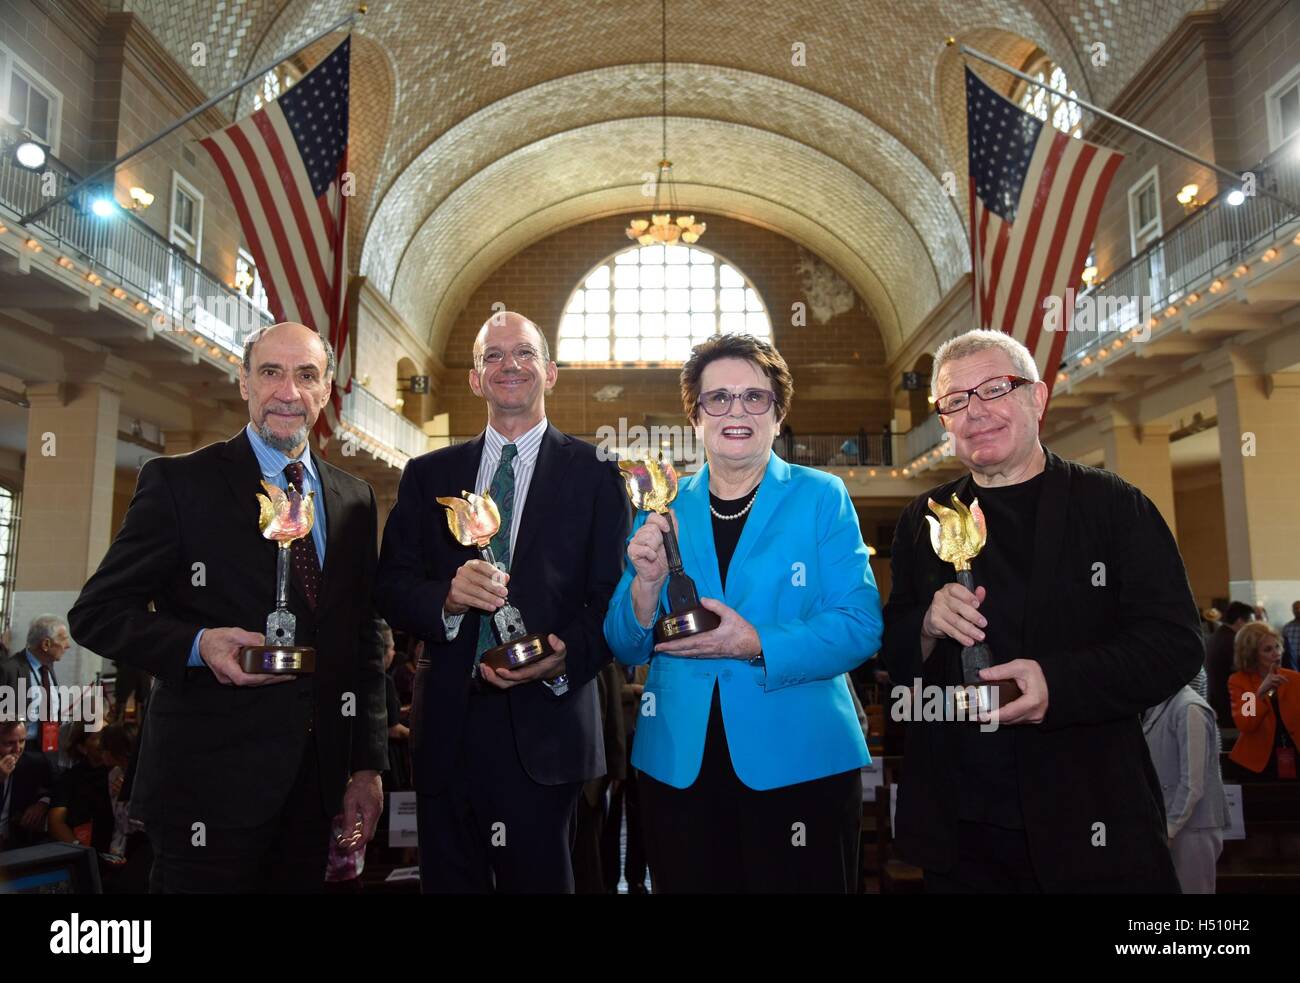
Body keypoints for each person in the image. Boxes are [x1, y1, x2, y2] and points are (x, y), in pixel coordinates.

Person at [68, 321, 389, 893]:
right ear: (243, 382)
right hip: (205, 790)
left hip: (315, 793)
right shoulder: (180, 483)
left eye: (306, 375)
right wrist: (197, 646)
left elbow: (361, 640)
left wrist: (365, 765)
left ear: (326, 390)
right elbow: (97, 612)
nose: (288, 392)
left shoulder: (353, 499)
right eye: (271, 372)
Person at [881, 329, 1202, 893]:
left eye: (995, 389)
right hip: (964, 829)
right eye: (955, 400)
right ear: (944, 421)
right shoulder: (922, 520)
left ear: (1038, 398)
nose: (975, 411)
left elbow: (1175, 646)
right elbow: (895, 650)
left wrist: (1055, 683)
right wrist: (927, 627)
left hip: (1090, 813)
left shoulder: (1114, 506)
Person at [603, 333, 882, 894]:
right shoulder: (663, 503)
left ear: (777, 414)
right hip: (681, 764)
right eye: (719, 398)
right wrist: (646, 585)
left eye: (755, 397)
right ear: (696, 415)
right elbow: (624, 643)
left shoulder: (821, 495)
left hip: (802, 758)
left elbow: (860, 624)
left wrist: (756, 643)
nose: (737, 410)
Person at [375, 310, 629, 893]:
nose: (509, 365)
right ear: (474, 378)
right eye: (493, 355)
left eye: (523, 353)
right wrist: (446, 599)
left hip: (550, 722)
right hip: (449, 725)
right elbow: (390, 586)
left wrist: (564, 655)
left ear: (550, 371)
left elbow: (612, 599)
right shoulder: (426, 473)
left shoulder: (597, 473)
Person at [1141, 685, 1227, 894]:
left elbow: (1193, 784)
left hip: (1192, 827)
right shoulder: (1159, 704)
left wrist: (1170, 828)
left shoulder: (1190, 707)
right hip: (1173, 825)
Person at [1227, 622, 1300, 781]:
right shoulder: (1240, 681)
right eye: (1268, 649)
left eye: (1277, 646)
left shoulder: (1294, 679)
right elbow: (1246, 723)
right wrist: (1259, 693)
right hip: (1257, 764)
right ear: (1251, 655)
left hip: (1294, 756)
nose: (1277, 653)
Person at [5, 615, 72, 766]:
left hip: (49, 749)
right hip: (21, 753)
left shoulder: (47, 667)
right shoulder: (9, 669)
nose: (68, 645)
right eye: (64, 639)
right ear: (46, 644)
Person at [0, 717, 52, 850]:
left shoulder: (34, 762)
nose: (17, 749)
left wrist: (43, 803)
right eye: (9, 743)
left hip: (16, 844)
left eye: (22, 741)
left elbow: (56, 787)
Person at [1206, 601, 1255, 727]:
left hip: (1218, 703)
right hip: (1231, 707)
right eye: (1251, 622)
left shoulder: (1218, 635)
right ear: (1239, 621)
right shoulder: (1234, 641)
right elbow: (1244, 676)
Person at [1281, 601, 1300, 672]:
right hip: (1291, 661)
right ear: (1293, 610)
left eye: (1299, 607)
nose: (1298, 610)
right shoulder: (1287, 627)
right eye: (1296, 608)